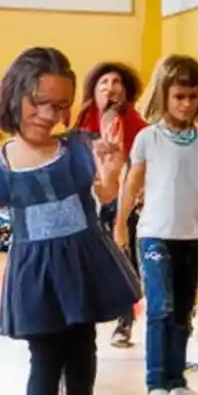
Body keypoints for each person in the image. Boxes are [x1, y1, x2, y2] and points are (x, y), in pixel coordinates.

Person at [0, 47, 141, 395]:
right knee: (46, 356)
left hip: (83, 259)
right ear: (16, 95)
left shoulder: (76, 147)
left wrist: (112, 175)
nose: (48, 114)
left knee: (82, 347)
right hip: (36, 270)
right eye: (39, 102)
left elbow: (105, 196)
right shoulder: (0, 163)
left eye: (59, 106)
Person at [115, 54, 198, 395]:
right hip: (155, 234)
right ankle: (155, 381)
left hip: (188, 236)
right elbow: (131, 184)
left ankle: (177, 380)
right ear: (164, 95)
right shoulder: (148, 138)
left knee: (183, 312)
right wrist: (120, 226)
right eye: (179, 97)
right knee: (160, 308)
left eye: (192, 97)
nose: (186, 104)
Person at [74, 62, 148, 347]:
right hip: (91, 200)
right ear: (94, 91)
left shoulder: (137, 126)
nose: (110, 87)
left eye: (116, 82)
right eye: (103, 82)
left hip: (126, 201)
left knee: (124, 258)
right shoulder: (82, 126)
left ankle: (124, 321)